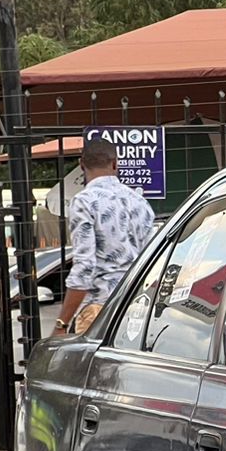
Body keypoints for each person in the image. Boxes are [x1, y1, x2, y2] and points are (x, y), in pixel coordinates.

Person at [56, 137, 154, 335]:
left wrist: (62, 323)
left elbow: (84, 266)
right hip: (136, 308)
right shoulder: (139, 201)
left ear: (81, 164)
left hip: (98, 309)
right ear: (115, 163)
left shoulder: (84, 202)